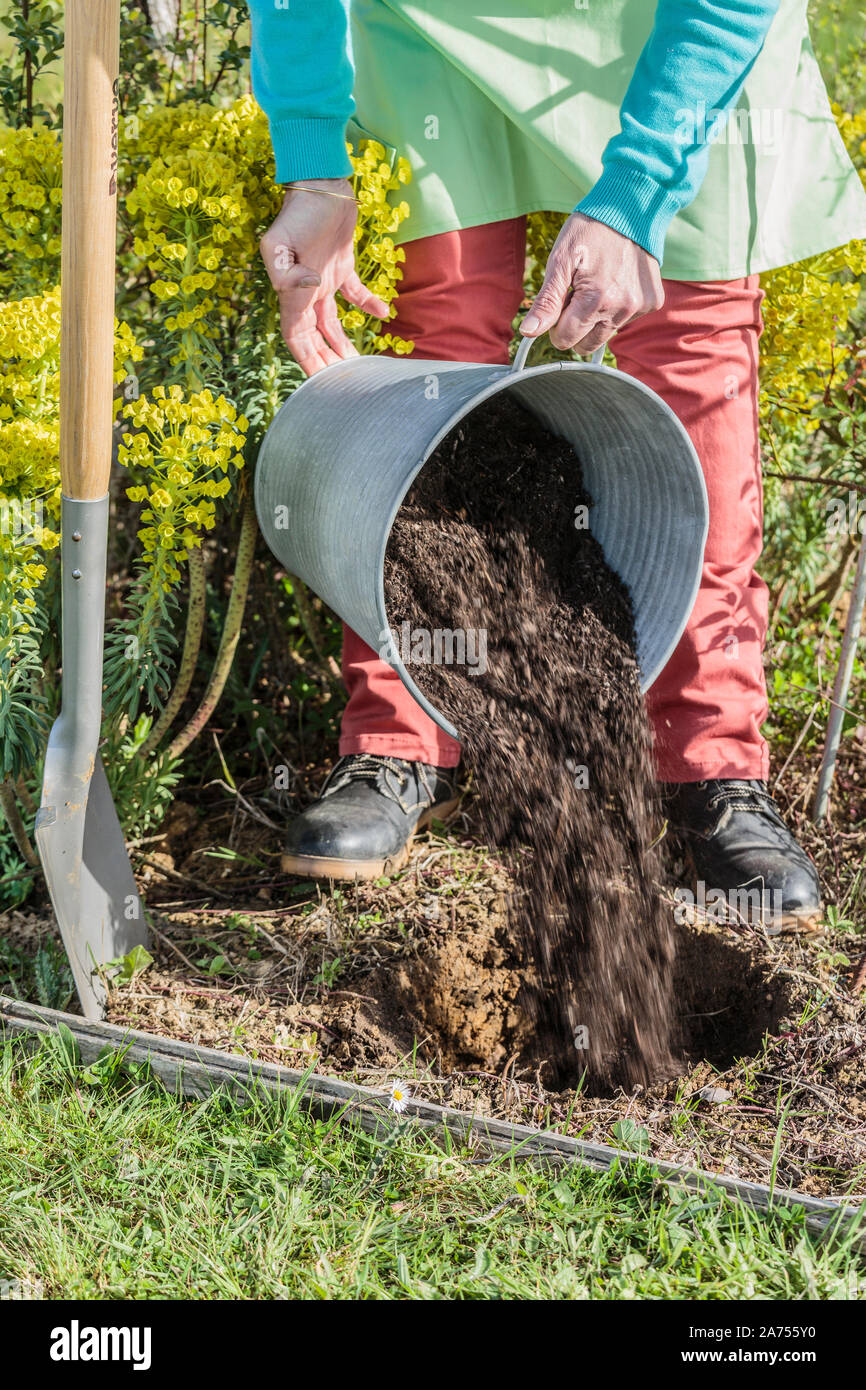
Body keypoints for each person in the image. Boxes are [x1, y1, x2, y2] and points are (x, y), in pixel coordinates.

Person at [246, 0, 866, 928]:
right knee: (438, 337)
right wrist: (314, 164)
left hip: (671, 32)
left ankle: (711, 762)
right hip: (439, 27)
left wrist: (638, 195)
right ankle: (401, 733)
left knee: (690, 345)